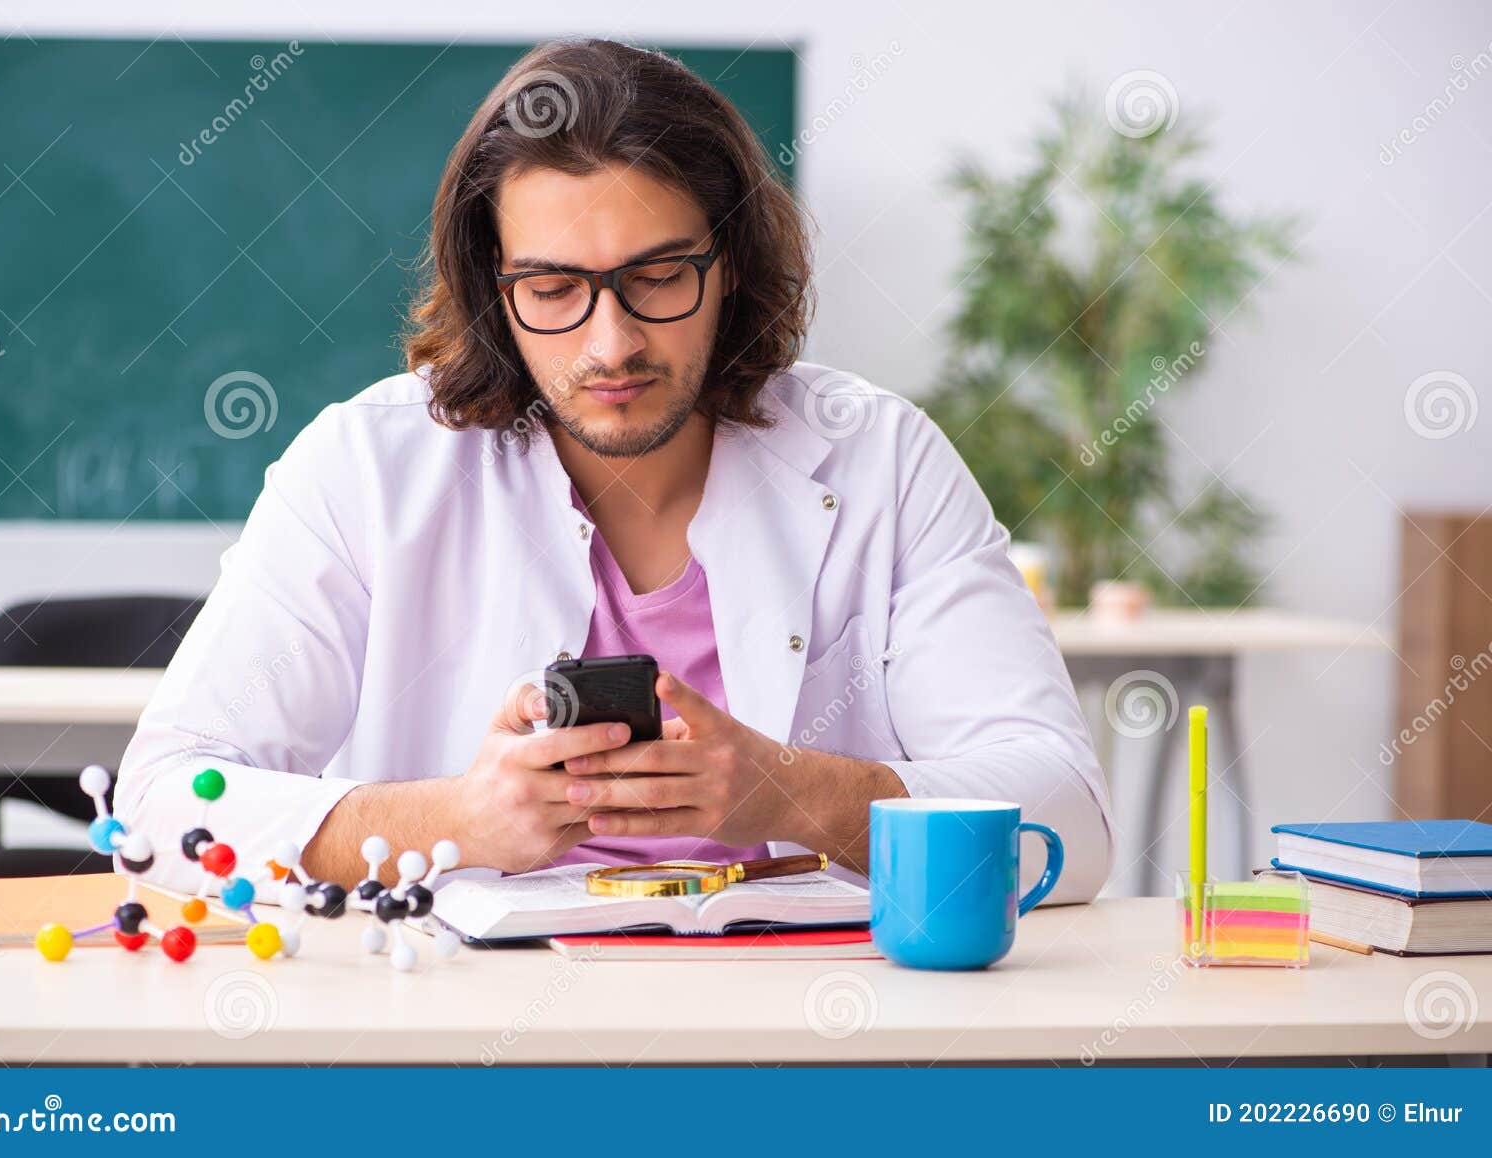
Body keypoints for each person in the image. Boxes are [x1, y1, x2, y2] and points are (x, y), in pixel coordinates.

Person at [116, 38, 1113, 899]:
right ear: (493, 289)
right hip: (458, 1034)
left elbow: (1063, 818)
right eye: (553, 287)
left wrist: (786, 792)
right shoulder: (367, 466)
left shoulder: (880, 455)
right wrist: (455, 822)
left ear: (729, 267)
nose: (611, 343)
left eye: (657, 277)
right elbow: (164, 801)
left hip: (801, 1033)